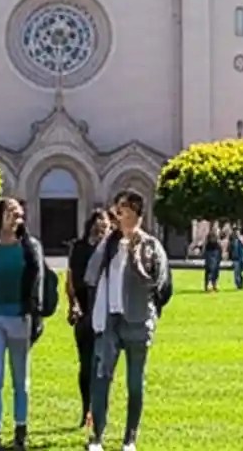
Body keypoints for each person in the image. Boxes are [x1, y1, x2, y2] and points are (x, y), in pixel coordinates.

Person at [84, 191, 170, 451]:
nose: (124, 216)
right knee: (101, 380)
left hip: (138, 321)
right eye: (121, 210)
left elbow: (160, 285)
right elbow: (90, 277)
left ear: (139, 215)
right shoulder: (108, 244)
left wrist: (136, 256)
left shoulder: (151, 245)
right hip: (109, 321)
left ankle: (130, 438)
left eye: (129, 211)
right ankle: (97, 437)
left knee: (135, 382)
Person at [0, 197, 46, 451]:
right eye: (11, 212)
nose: (17, 217)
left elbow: (37, 282)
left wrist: (34, 315)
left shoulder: (29, 247)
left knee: (20, 379)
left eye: (19, 213)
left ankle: (20, 431)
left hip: (20, 317)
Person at [67, 208, 113, 431]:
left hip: (107, 313)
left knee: (102, 366)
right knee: (86, 366)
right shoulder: (80, 248)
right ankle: (86, 408)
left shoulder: (113, 249)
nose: (102, 226)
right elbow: (72, 280)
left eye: (105, 223)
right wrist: (73, 305)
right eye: (99, 222)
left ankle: (99, 410)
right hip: (86, 313)